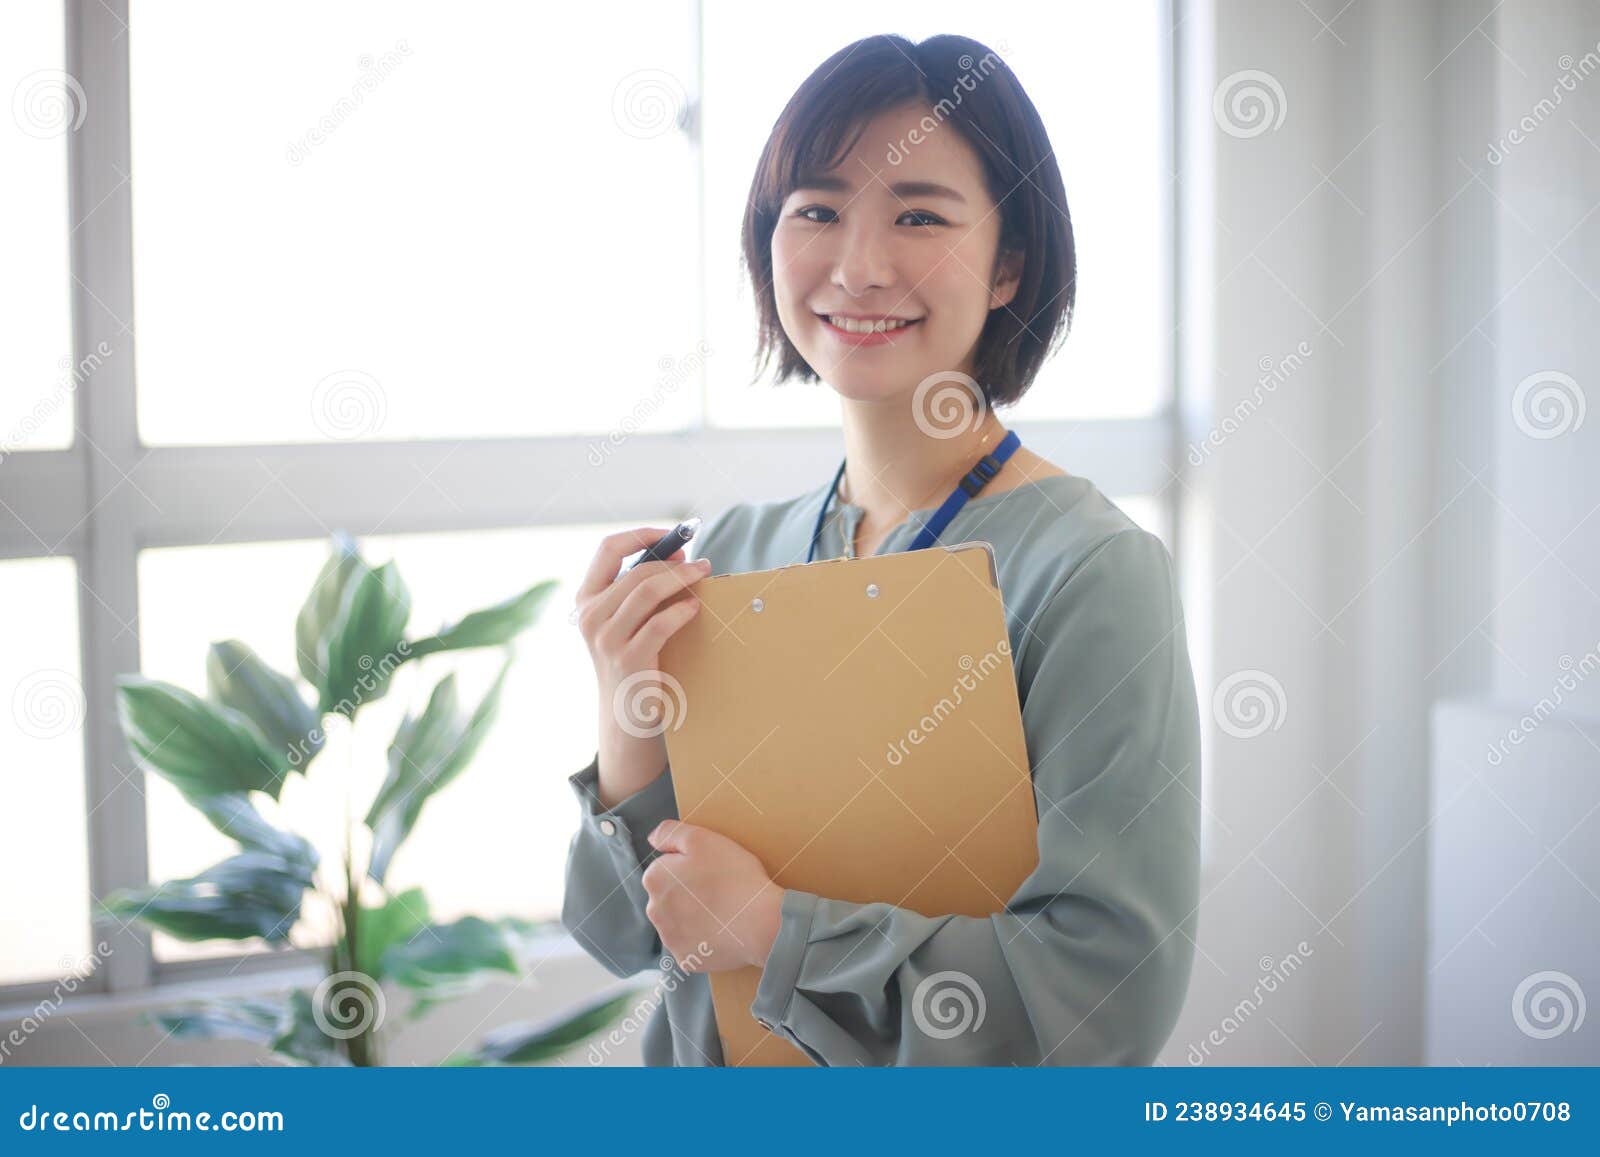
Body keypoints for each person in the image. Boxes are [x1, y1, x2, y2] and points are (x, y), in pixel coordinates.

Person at [562, 32, 1200, 1066]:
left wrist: (776, 933)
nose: (858, 265)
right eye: (815, 210)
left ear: (1010, 268)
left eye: (919, 216)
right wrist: (627, 719)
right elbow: (617, 936)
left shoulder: (1090, 572)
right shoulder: (732, 551)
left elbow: (1105, 1003)